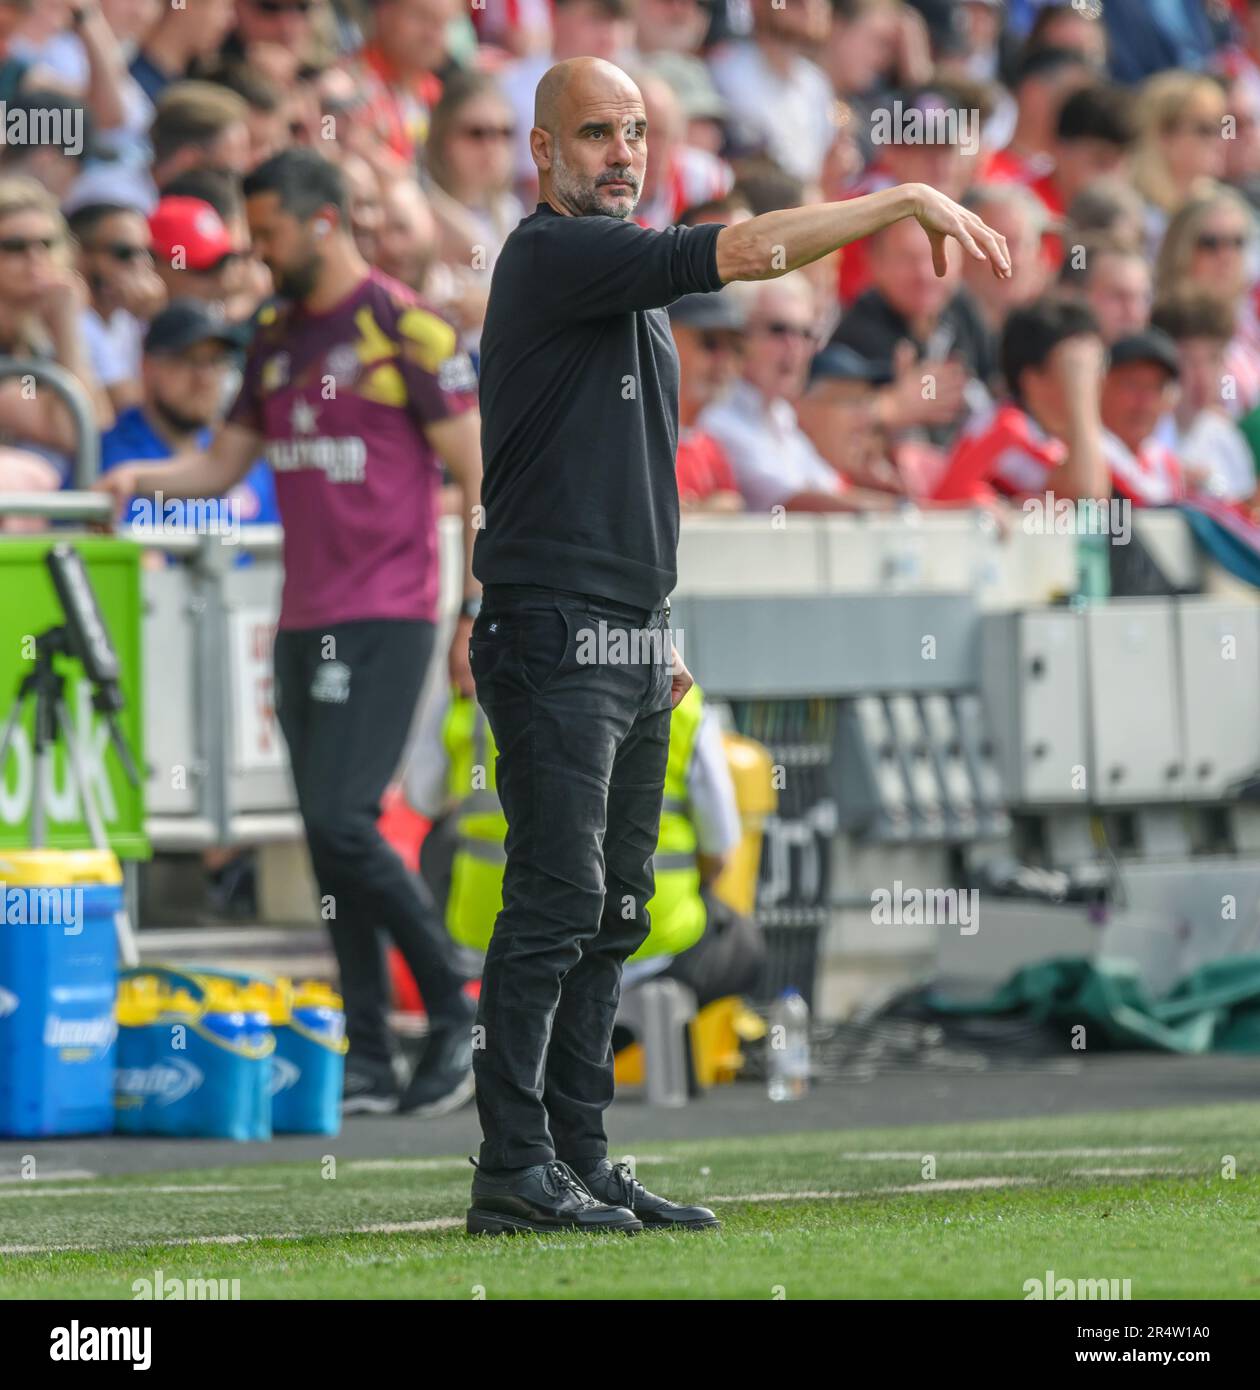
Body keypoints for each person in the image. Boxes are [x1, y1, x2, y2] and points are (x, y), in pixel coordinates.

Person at [466, 53, 1008, 1236]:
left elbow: (619, 481)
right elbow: (748, 250)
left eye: (637, 132)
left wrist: (657, 624)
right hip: (554, 627)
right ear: (543, 155)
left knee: (614, 908)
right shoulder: (550, 253)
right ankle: (510, 1167)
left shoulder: (617, 292)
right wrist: (899, 201)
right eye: (597, 134)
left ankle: (576, 1155)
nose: (623, 153)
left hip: (623, 632)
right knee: (556, 900)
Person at [93, 148, 485, 1120]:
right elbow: (225, 468)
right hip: (302, 617)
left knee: (348, 821)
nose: (257, 254)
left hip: (390, 614)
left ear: (322, 220)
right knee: (325, 836)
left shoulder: (409, 330)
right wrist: (142, 483)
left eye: (267, 234)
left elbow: (483, 479)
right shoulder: (272, 337)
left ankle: (450, 1006)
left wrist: (478, 608)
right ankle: (365, 1051)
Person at [932, 295, 1106, 505]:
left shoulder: (1051, 437)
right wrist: (1081, 401)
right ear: (1033, 380)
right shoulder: (1006, 428)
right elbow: (1086, 494)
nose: (1094, 382)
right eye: (1078, 370)